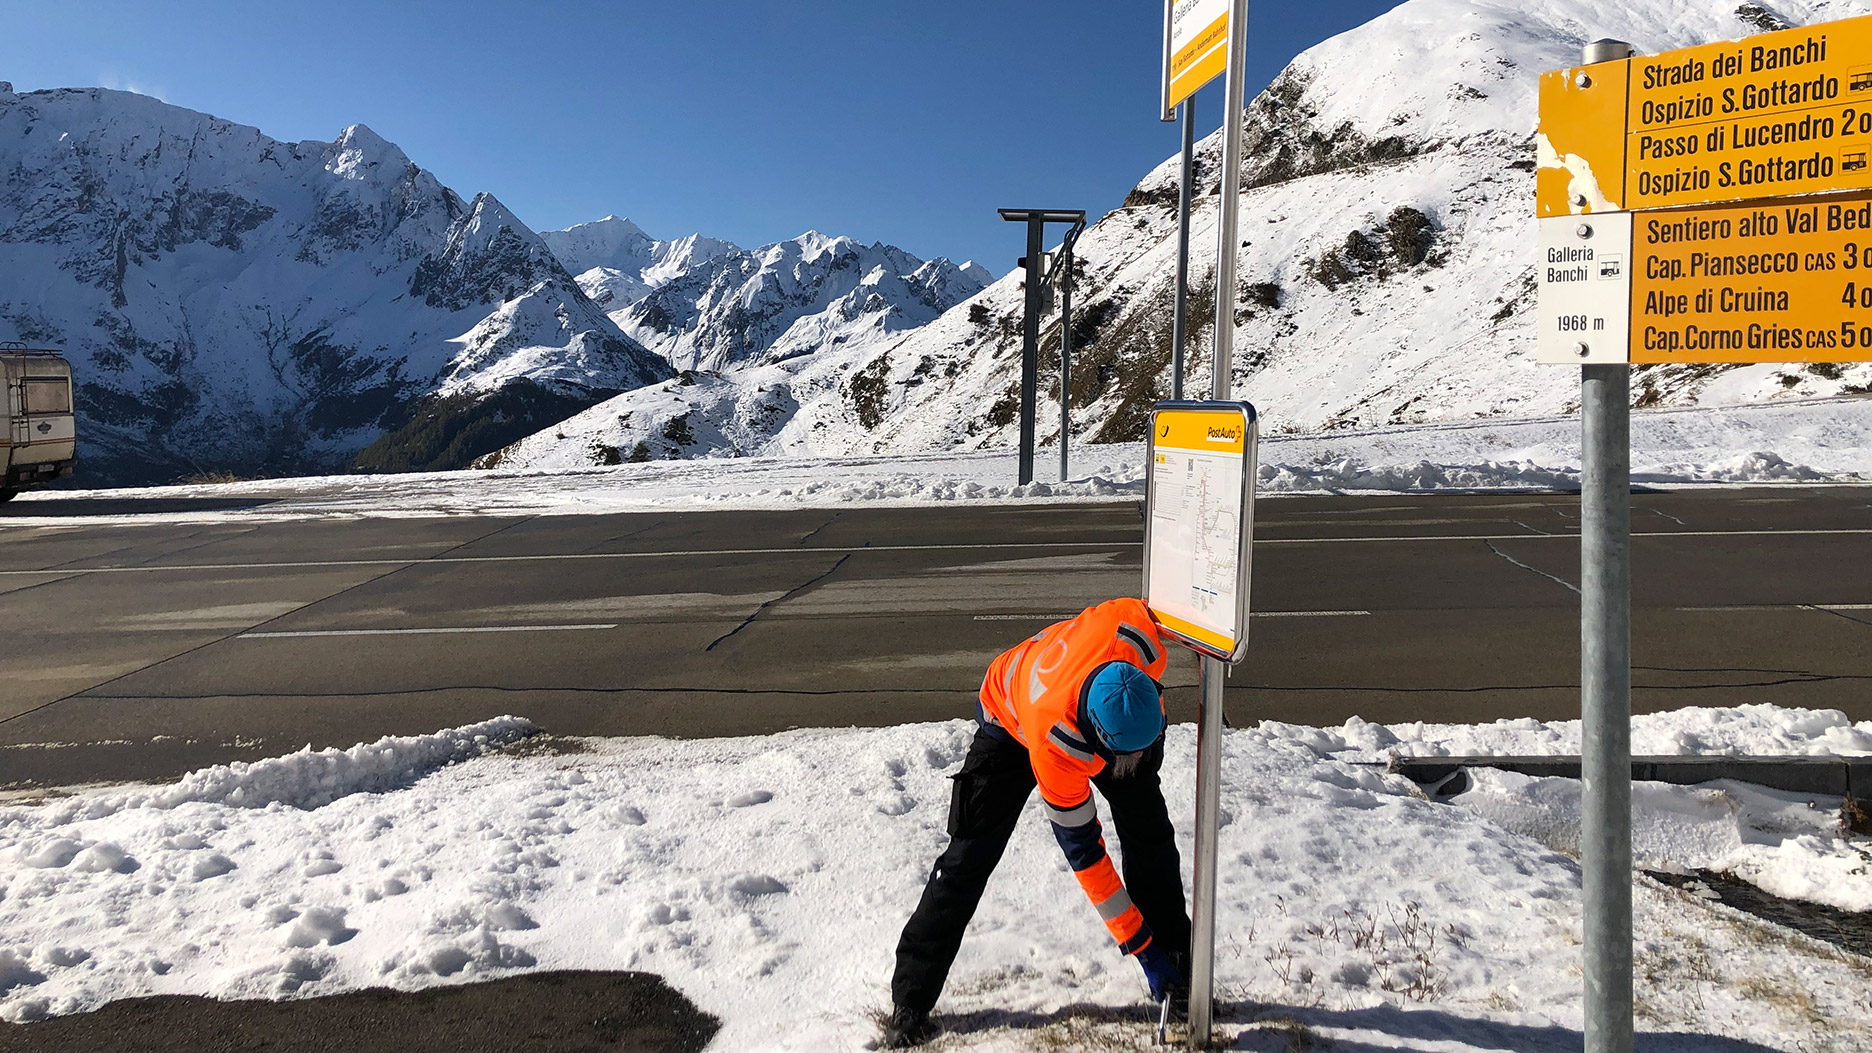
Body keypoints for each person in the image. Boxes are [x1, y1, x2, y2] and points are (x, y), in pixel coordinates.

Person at [882, 596, 1192, 1048]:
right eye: (1129, 758)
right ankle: (910, 1000)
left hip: (1098, 704)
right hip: (1009, 717)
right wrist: (1141, 948)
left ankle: (1179, 973)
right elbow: (1088, 857)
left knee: (1151, 835)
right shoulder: (1057, 748)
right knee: (968, 858)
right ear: (1098, 747)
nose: (1139, 763)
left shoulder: (1135, 633)